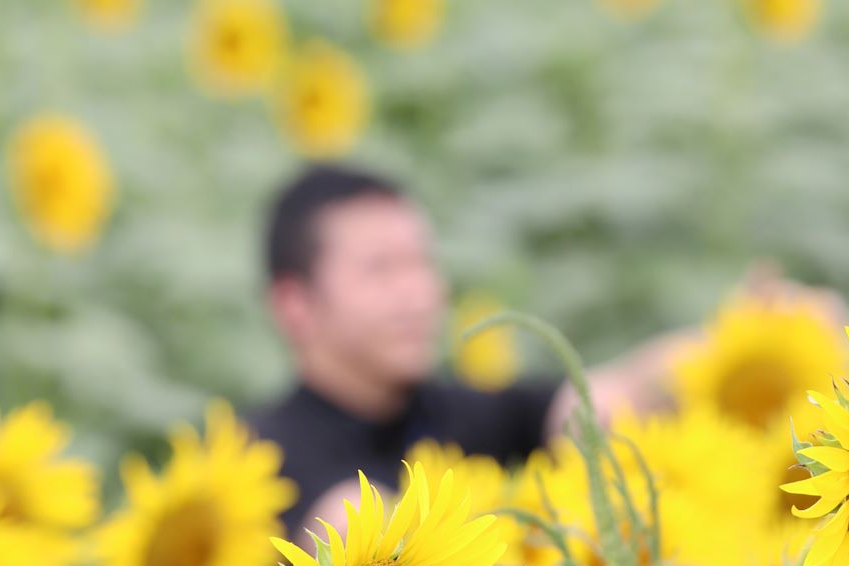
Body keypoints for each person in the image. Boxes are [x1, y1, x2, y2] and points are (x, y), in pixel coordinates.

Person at [249, 162, 689, 546]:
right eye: (381, 269)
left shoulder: (455, 413)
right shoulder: (262, 461)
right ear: (296, 305)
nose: (419, 294)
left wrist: (723, 353)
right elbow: (349, 527)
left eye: (422, 263)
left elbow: (594, 404)